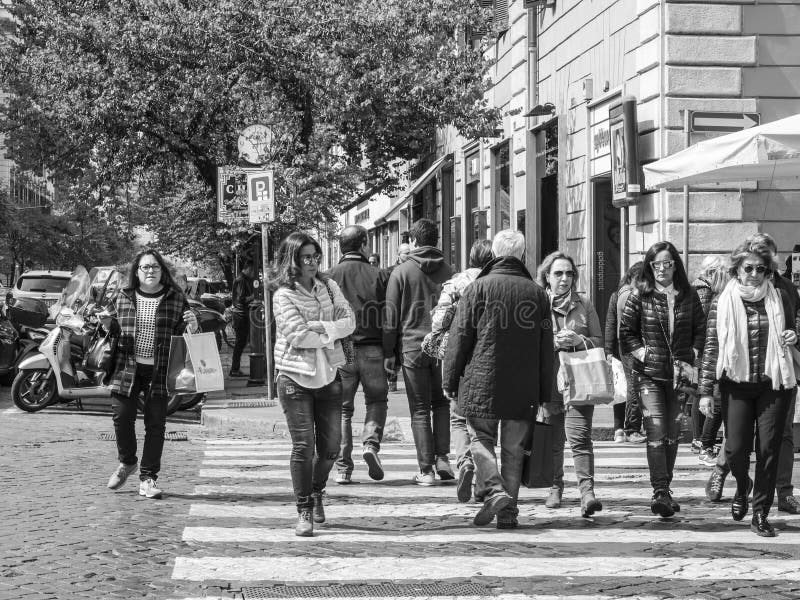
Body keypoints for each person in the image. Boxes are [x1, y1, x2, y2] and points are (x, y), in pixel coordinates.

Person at [443, 230, 554, 528]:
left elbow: (460, 338)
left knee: (480, 438)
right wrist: (547, 390)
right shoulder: (537, 293)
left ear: (493, 254)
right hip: (524, 384)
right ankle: (508, 511)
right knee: (514, 449)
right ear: (522, 256)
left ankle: (493, 491)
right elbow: (547, 348)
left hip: (482, 381)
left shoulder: (478, 288)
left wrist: (449, 380)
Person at [698, 240, 797, 537]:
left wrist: (795, 336)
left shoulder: (780, 296)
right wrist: (705, 390)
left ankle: (760, 513)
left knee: (768, 449)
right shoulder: (723, 301)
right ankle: (743, 486)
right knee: (735, 448)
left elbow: (796, 327)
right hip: (735, 385)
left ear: (768, 271)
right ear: (737, 270)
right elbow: (712, 346)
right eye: (748, 268)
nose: (754, 274)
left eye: (760, 269)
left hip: (774, 385)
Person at [273, 232, 355, 537]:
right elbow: (297, 335)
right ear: (292, 259)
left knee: (332, 449)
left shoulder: (329, 287)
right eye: (305, 257)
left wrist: (326, 327)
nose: (312, 262)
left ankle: (317, 489)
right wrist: (331, 332)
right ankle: (304, 508)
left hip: (330, 376)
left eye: (315, 256)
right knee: (304, 447)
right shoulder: (283, 294)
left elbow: (350, 321)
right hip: (295, 378)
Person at [620, 241, 706, 518]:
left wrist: (693, 351)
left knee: (673, 434)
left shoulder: (688, 295)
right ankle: (659, 491)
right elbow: (626, 332)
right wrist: (644, 353)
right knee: (656, 430)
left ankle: (665, 490)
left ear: (675, 266)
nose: (661, 269)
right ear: (649, 267)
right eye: (656, 264)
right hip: (649, 375)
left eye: (667, 263)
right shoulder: (639, 295)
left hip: (681, 373)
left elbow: (701, 329)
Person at [106, 249, 199, 499]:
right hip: (126, 366)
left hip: (161, 370)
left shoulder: (175, 297)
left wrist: (193, 323)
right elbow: (109, 325)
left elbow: (184, 329)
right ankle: (127, 462)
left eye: (155, 267)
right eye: (145, 267)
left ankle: (148, 478)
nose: (150, 271)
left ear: (162, 271)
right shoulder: (122, 296)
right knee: (122, 417)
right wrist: (105, 324)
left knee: (156, 424)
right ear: (136, 272)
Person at [383, 218, 453, 485]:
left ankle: (426, 471)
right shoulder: (449, 270)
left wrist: (389, 351)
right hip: (443, 346)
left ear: (412, 241)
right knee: (442, 404)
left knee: (420, 409)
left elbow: (391, 315)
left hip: (412, 346)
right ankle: (443, 458)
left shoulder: (401, 272)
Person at [538, 251, 604, 517]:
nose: (564, 279)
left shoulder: (584, 304)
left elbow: (599, 341)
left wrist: (579, 341)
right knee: (553, 440)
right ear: (547, 276)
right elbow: (527, 340)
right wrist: (551, 342)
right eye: (558, 273)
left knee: (579, 437)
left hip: (580, 380)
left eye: (569, 274)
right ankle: (555, 486)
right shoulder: (538, 303)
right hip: (549, 380)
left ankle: (587, 494)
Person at [427, 239, 494, 502]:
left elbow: (438, 321)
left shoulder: (455, 283)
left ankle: (464, 462)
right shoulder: (494, 283)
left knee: (457, 417)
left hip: (456, 354)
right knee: (482, 423)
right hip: (487, 356)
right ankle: (481, 475)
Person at [328, 225, 390, 484]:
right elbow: (389, 316)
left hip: (341, 349)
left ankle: (343, 468)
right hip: (372, 347)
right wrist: (390, 351)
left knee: (343, 409)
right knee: (376, 401)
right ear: (364, 244)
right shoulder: (379, 275)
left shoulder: (328, 277)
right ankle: (370, 445)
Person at [690, 256, 729, 465]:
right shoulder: (705, 292)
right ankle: (703, 443)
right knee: (708, 395)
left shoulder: (700, 289)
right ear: (713, 273)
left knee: (704, 395)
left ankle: (702, 441)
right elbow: (706, 326)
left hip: (703, 350)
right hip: (706, 351)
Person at [604, 262, 645, 444]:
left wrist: (608, 349)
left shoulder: (617, 294)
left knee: (624, 387)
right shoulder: (630, 295)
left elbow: (611, 325)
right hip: (632, 347)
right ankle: (631, 429)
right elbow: (615, 325)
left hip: (622, 347)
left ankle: (622, 429)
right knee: (632, 387)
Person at [387, 243, 412, 392]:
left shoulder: (415, 269)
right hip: (395, 314)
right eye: (405, 253)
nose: (408, 255)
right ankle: (392, 380)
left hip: (407, 316)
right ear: (398, 254)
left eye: (410, 252)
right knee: (394, 349)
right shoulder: (391, 271)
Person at [229, 262, 256, 377]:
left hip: (241, 315)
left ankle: (235, 369)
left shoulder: (242, 279)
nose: (253, 274)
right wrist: (254, 296)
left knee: (241, 343)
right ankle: (234, 369)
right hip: (241, 316)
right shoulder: (241, 280)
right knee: (240, 343)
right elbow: (241, 299)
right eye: (253, 271)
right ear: (248, 269)